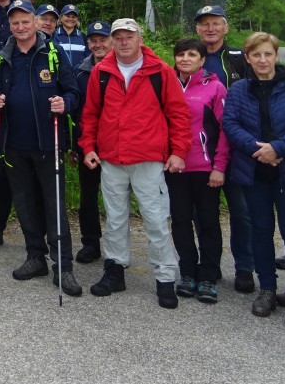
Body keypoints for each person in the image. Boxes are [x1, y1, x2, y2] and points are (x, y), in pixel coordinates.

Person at [80, 18, 191, 309]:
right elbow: (90, 114)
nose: (123, 42)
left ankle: (165, 277)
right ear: (112, 41)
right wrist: (88, 147)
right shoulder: (100, 72)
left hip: (148, 158)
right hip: (112, 158)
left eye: (129, 36)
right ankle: (115, 270)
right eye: (118, 37)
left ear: (140, 39)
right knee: (115, 219)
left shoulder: (161, 72)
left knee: (155, 219)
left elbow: (178, 114)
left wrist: (179, 151)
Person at [222, 32, 285, 330]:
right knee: (261, 233)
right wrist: (259, 150)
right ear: (248, 58)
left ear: (275, 55)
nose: (262, 60)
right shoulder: (239, 90)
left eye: (267, 54)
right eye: (256, 55)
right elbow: (230, 124)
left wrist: (277, 148)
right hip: (254, 172)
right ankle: (266, 289)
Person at [0, 0, 82, 294]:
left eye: (25, 21)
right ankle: (35, 257)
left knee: (54, 205)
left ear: (35, 21)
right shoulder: (3, 57)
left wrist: (64, 103)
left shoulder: (52, 53)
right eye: (15, 22)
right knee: (25, 204)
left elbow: (72, 91)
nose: (20, 27)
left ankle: (63, 266)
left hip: (48, 143)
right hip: (14, 143)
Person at [193, 4, 256, 294]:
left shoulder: (239, 60)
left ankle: (244, 266)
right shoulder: (191, 58)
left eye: (216, 23)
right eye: (204, 24)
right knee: (203, 212)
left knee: (241, 211)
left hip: (237, 146)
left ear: (226, 27)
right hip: (203, 149)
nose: (210, 28)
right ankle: (210, 264)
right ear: (197, 29)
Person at [168, 38, 230, 303]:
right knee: (180, 221)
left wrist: (219, 167)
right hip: (174, 167)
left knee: (207, 223)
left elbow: (225, 131)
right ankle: (188, 272)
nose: (185, 59)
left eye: (191, 54)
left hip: (205, 168)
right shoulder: (167, 86)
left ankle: (207, 276)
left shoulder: (215, 88)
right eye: (180, 54)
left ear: (202, 60)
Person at [69, 20, 111, 264]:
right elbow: (75, 112)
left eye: (102, 39)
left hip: (116, 144)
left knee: (116, 198)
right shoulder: (80, 71)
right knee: (88, 197)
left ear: (111, 41)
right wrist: (75, 145)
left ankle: (117, 248)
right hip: (88, 145)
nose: (98, 44)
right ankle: (90, 243)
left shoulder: (123, 68)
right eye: (93, 40)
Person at [53, 4, 87, 70]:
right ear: (61, 17)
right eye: (67, 16)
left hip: (79, 76)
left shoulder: (83, 36)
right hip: (60, 77)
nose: (71, 19)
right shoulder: (53, 35)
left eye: (74, 17)